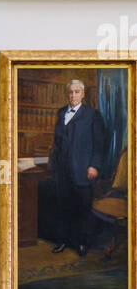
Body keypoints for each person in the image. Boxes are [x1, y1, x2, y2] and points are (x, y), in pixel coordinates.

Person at [48, 78, 106, 257]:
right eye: (70, 92)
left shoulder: (92, 115)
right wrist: (54, 163)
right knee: (63, 206)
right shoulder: (60, 113)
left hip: (82, 169)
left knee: (83, 208)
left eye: (76, 92)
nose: (73, 95)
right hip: (62, 170)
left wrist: (94, 166)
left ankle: (83, 242)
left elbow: (99, 144)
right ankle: (64, 240)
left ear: (83, 94)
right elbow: (57, 142)